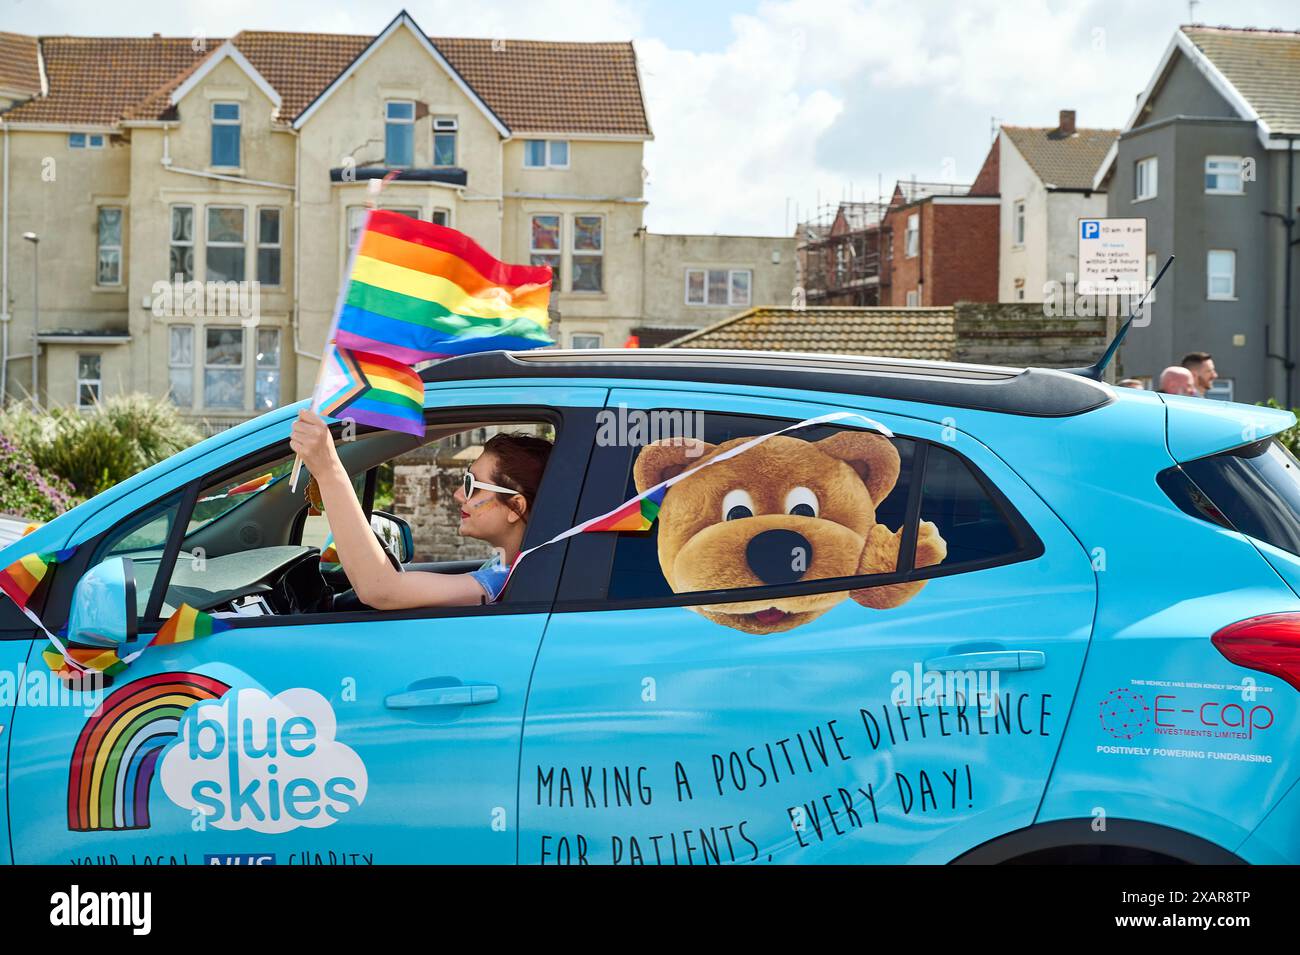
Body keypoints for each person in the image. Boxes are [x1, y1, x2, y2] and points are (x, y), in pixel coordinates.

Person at [290, 409, 552, 609]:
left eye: (472, 485)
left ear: (515, 507)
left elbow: (381, 590)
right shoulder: (502, 564)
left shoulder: (502, 580)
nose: (458, 494)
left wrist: (327, 468)